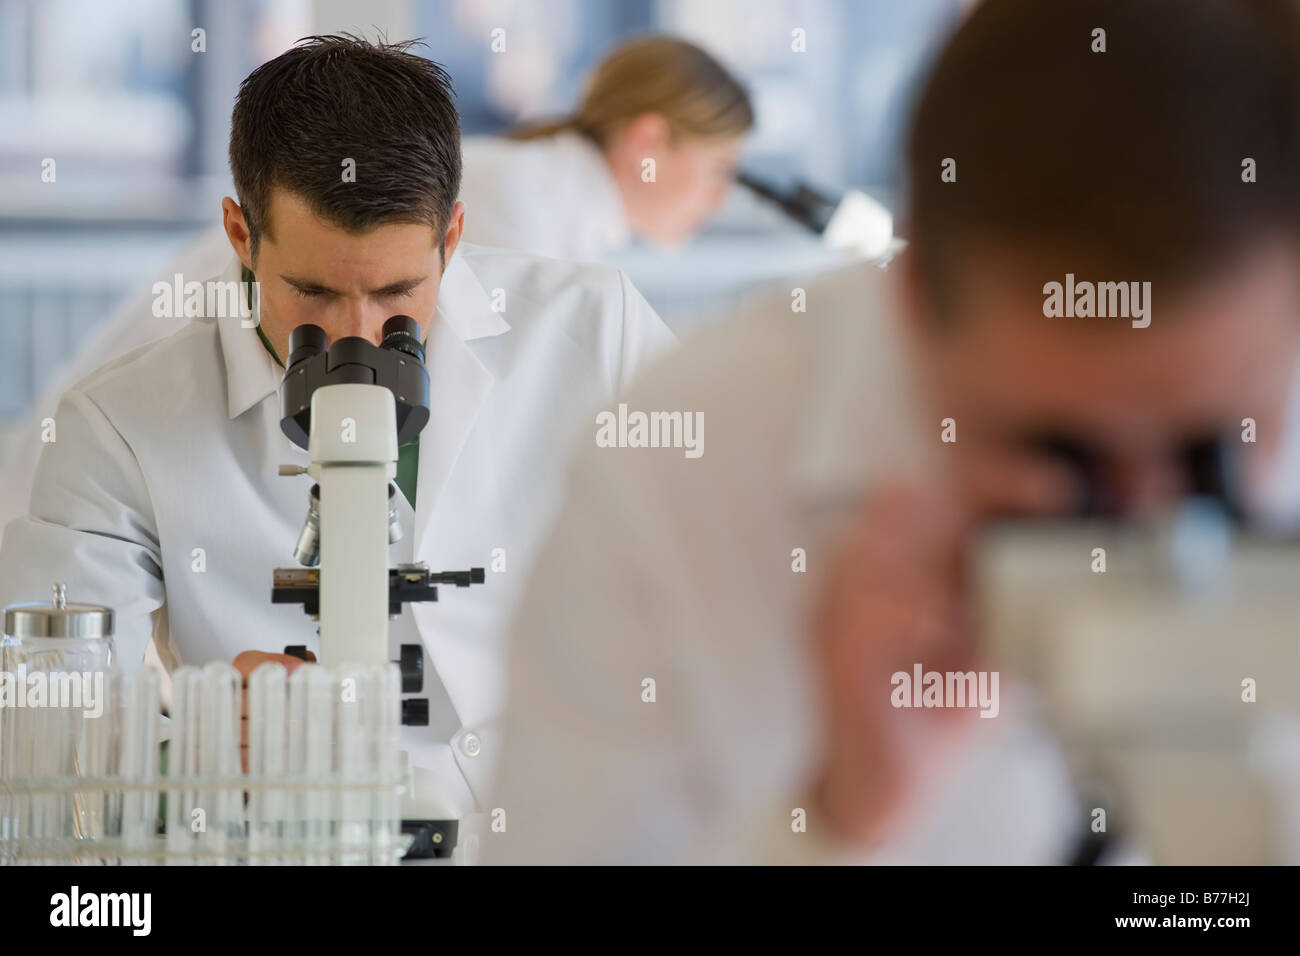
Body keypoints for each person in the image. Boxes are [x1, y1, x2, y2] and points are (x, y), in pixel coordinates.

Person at [486, 0, 1300, 863]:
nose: (1143, 522)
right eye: (1059, 450)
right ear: (910, 305)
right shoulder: (668, 473)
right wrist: (837, 824)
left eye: (1205, 447)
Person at [0, 35, 676, 817]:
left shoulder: (597, 329)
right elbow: (43, 730)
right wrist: (192, 750)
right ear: (240, 235)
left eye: (397, 291)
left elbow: (737, 565)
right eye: (313, 293)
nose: (358, 333)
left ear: (451, 238)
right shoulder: (118, 427)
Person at [459, 35, 754, 263]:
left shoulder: (567, 217)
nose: (720, 202)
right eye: (718, 170)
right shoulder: (522, 201)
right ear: (647, 142)